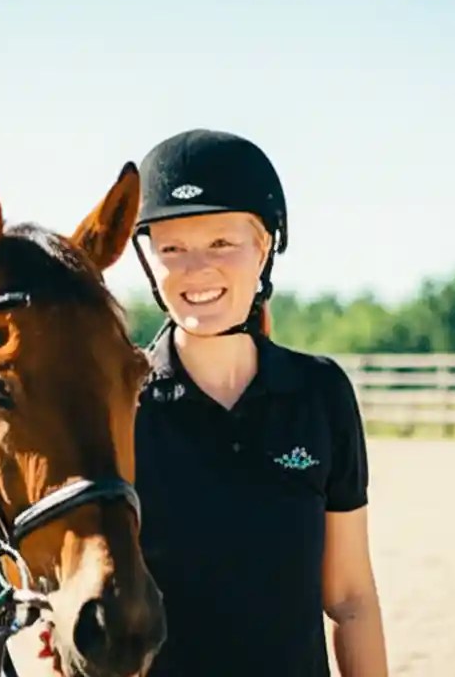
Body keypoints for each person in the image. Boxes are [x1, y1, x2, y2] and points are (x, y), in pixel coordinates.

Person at [126, 128, 389, 676]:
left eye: (222, 243)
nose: (196, 268)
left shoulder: (321, 394)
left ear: (263, 248)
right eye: (172, 249)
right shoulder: (122, 405)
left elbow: (350, 598)